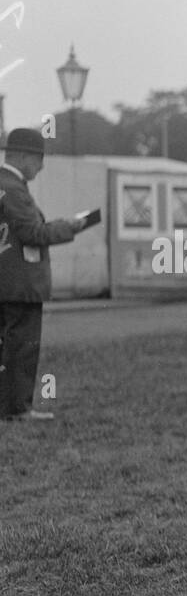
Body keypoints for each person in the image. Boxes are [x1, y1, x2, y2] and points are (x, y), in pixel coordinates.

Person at [0, 128, 90, 420]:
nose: (42, 166)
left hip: (7, 281)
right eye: (40, 159)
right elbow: (32, 232)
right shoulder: (13, 188)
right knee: (22, 348)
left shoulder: (7, 185)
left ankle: (8, 407)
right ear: (25, 156)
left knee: (7, 346)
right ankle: (18, 409)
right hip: (20, 283)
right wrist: (70, 227)